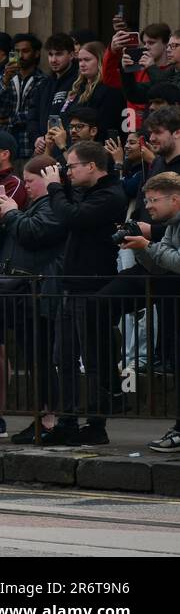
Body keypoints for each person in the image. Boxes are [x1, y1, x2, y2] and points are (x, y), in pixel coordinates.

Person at [44, 142, 127, 445]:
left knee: (93, 359)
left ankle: (96, 423)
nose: (67, 171)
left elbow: (74, 218)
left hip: (93, 285)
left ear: (91, 166)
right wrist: (64, 187)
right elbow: (70, 213)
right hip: (72, 283)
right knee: (63, 357)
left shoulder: (110, 194)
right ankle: (67, 420)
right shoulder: (86, 192)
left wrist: (54, 188)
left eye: (72, 166)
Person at [0, 154, 70, 444]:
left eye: (30, 182)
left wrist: (12, 213)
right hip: (27, 293)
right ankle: (42, 416)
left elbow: (36, 232)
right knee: (35, 357)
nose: (26, 187)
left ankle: (49, 418)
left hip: (42, 292)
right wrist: (3, 220)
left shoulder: (51, 205)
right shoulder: (34, 205)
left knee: (42, 358)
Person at [120, 172, 180, 452]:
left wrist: (148, 246)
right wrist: (141, 249)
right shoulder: (170, 226)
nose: (149, 206)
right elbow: (161, 265)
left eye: (154, 200)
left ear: (175, 199)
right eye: (147, 200)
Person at [0, 33, 47, 159]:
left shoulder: (43, 81)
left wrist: (8, 120)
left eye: (25, 51)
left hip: (29, 144)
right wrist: (6, 81)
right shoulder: (1, 78)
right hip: (4, 144)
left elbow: (35, 114)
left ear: (37, 53)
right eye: (16, 52)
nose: (21, 56)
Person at [60, 42, 125, 142]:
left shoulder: (109, 89)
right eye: (80, 60)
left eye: (87, 60)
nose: (82, 64)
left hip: (97, 147)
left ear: (100, 60)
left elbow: (108, 125)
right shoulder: (77, 87)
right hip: (74, 145)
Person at [30, 33, 79, 156]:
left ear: (72, 55)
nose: (53, 60)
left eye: (59, 54)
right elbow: (32, 116)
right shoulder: (43, 85)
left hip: (69, 149)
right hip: (45, 148)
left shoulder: (78, 82)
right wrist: (37, 138)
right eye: (50, 54)